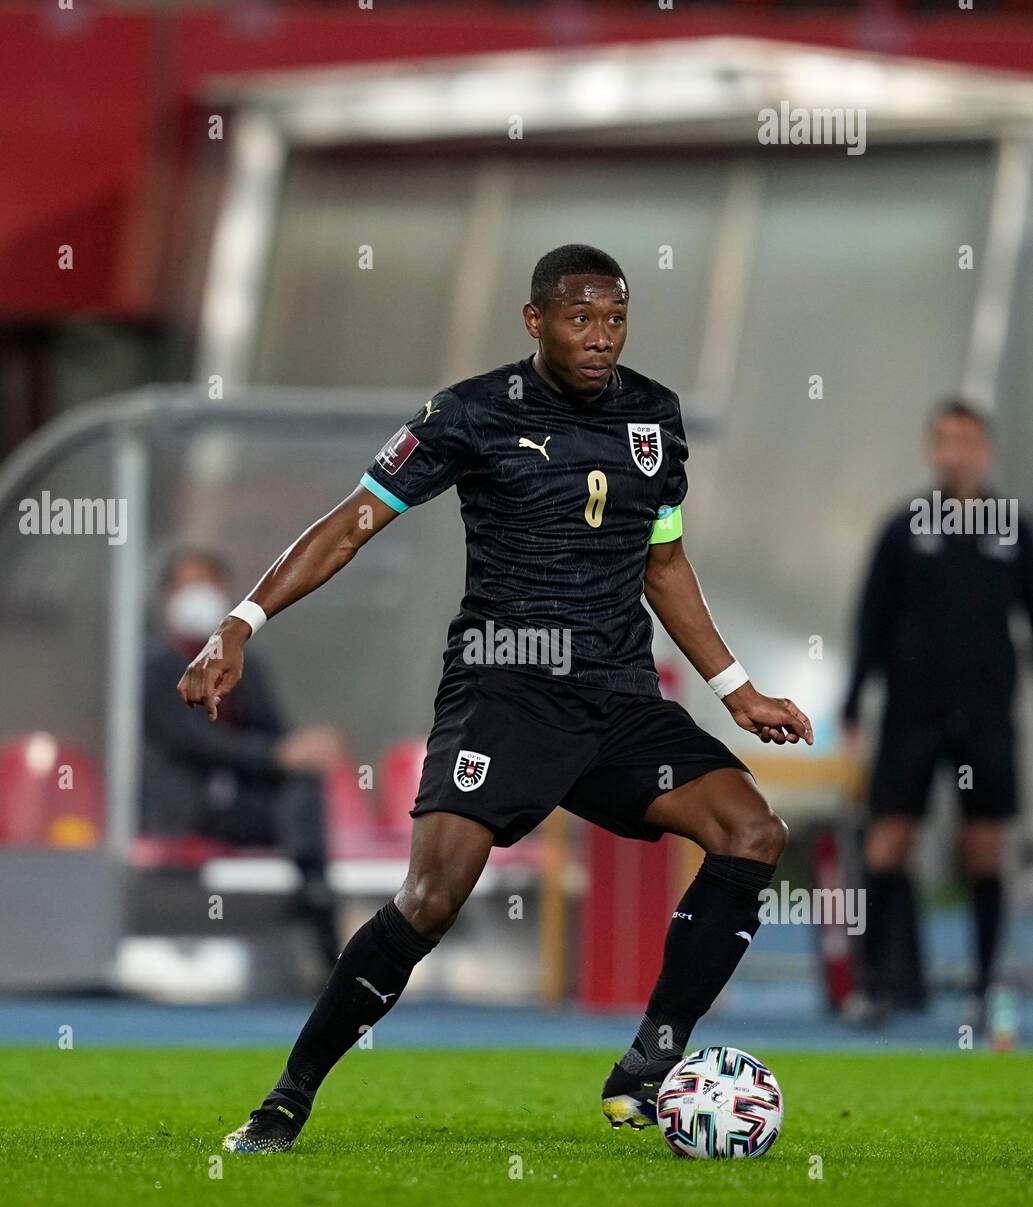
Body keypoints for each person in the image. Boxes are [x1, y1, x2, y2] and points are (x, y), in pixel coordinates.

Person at [176, 244, 813, 1154]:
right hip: (503, 694)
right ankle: (286, 1100)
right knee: (431, 900)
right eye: (580, 319)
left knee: (752, 833)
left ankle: (645, 1069)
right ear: (535, 321)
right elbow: (353, 520)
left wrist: (734, 688)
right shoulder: (468, 413)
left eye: (615, 320)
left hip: (618, 700)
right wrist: (239, 622)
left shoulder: (653, 417)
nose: (600, 339)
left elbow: (662, 563)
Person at [842, 400, 1033, 1026]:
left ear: (986, 448)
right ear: (933, 449)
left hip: (984, 716)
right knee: (889, 840)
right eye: (945, 440)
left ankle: (984, 988)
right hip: (910, 713)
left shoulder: (1013, 529)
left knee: (984, 845)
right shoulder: (905, 527)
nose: (957, 451)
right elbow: (871, 620)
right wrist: (851, 704)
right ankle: (873, 983)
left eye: (968, 440)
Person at [144, 546, 345, 966]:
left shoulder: (247, 666)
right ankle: (314, 892)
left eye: (209, 585)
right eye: (188, 585)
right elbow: (194, 742)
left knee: (304, 781)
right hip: (190, 805)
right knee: (291, 776)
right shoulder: (155, 666)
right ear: (167, 595)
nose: (199, 595)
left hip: (247, 805)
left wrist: (303, 748)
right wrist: (278, 754)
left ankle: (317, 907)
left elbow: (276, 733)